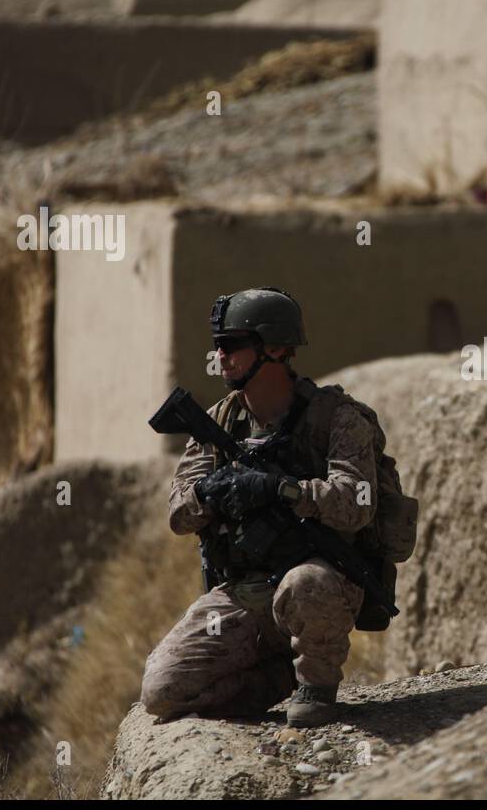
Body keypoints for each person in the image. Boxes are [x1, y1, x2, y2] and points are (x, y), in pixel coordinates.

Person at [140, 287, 384, 728]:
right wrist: (210, 493)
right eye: (217, 345)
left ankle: (316, 684)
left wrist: (281, 489)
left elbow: (357, 503)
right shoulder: (217, 423)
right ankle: (278, 678)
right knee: (161, 693)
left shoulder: (337, 416)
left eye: (233, 344)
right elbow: (178, 514)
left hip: (320, 577)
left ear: (275, 348)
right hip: (244, 590)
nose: (221, 355)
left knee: (306, 583)